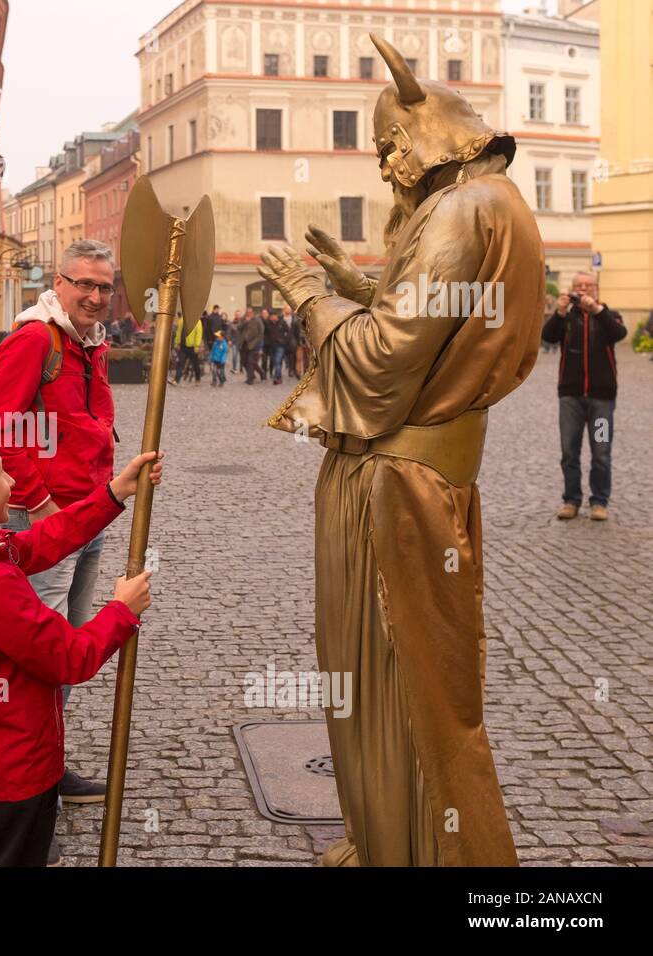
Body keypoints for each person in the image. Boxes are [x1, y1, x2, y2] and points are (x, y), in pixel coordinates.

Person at [259, 33, 542, 865]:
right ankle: (390, 837)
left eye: (388, 145)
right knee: (421, 680)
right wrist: (360, 283)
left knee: (392, 680)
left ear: (428, 130)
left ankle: (415, 851)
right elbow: (435, 325)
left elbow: (382, 361)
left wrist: (308, 294)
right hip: (433, 471)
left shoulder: (457, 211)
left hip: (393, 482)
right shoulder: (496, 204)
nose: (385, 165)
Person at [0, 431, 162, 866]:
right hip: (17, 772)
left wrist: (114, 493)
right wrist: (121, 611)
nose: (12, 482)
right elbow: (69, 657)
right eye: (0, 472)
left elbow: (42, 542)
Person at [0, 239, 119, 863]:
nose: (93, 295)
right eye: (82, 283)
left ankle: (48, 770)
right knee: (36, 656)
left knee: (62, 652)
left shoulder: (87, 342)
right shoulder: (36, 339)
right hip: (46, 522)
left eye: (103, 286)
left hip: (85, 518)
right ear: (57, 283)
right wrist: (37, 503)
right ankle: (26, 787)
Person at [540, 272, 625, 520]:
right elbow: (547, 337)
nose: (584, 289)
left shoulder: (610, 315)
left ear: (596, 289)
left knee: (600, 452)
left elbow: (619, 334)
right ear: (573, 290)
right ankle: (571, 500)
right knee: (569, 451)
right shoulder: (568, 318)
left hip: (601, 400)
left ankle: (599, 501)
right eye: (579, 286)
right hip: (571, 399)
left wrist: (598, 310)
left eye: (588, 285)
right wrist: (559, 312)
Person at [172, 314, 203, 385]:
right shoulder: (182, 320)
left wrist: (197, 346)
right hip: (183, 346)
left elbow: (199, 334)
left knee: (195, 364)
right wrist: (177, 343)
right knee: (180, 363)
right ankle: (176, 380)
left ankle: (197, 379)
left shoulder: (197, 321)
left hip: (192, 347)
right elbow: (178, 332)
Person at [266, 309, 291, 386]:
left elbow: (288, 332)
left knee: (277, 361)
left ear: (276, 316)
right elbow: (265, 333)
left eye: (274, 316)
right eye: (272, 316)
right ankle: (279, 376)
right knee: (276, 362)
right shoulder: (268, 323)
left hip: (280, 346)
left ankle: (277, 378)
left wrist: (284, 340)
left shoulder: (282, 322)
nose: (273, 317)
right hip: (271, 346)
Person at [242, 309, 266, 384]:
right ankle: (262, 373)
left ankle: (250, 379)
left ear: (252, 313)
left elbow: (261, 332)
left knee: (251, 362)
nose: (248, 314)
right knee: (245, 361)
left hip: (255, 344)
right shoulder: (245, 319)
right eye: (247, 312)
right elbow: (240, 328)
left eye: (249, 312)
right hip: (245, 344)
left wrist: (258, 342)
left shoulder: (257, 320)